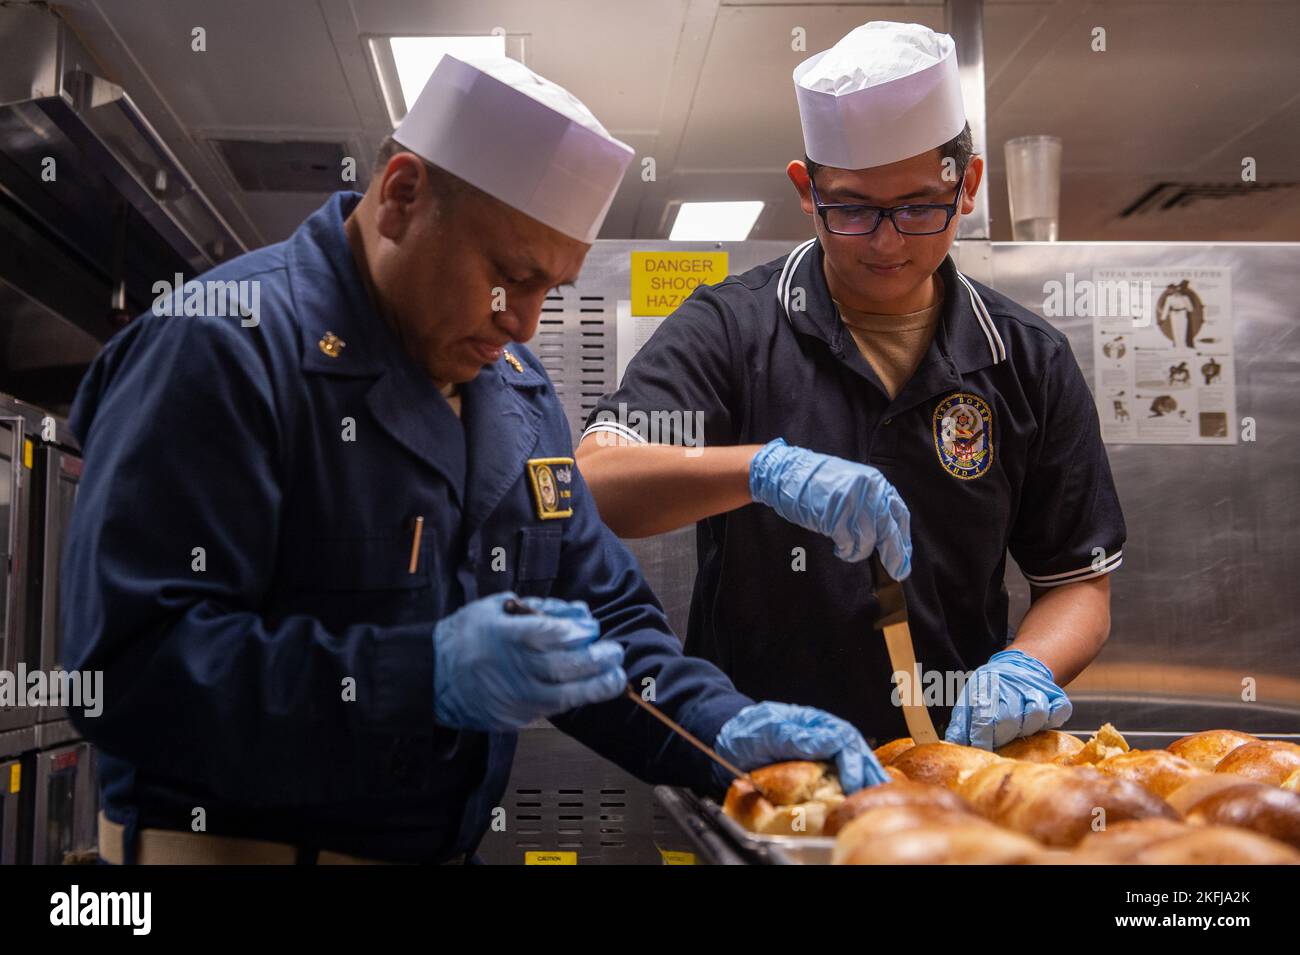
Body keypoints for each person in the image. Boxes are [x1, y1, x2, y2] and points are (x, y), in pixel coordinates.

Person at [61, 54, 886, 865]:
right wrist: (416, 675)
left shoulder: (518, 399)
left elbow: (605, 628)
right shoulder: (224, 347)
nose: (524, 324)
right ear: (402, 197)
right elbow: (130, 671)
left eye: (550, 290)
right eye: (510, 276)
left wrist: (722, 728)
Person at [576, 22, 1127, 751]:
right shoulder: (734, 328)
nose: (889, 241)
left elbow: (1077, 581)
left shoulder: (1026, 360)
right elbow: (597, 479)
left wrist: (1027, 665)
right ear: (807, 190)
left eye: (920, 207)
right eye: (855, 209)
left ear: (968, 186)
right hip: (759, 767)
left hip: (949, 774)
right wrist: (761, 471)